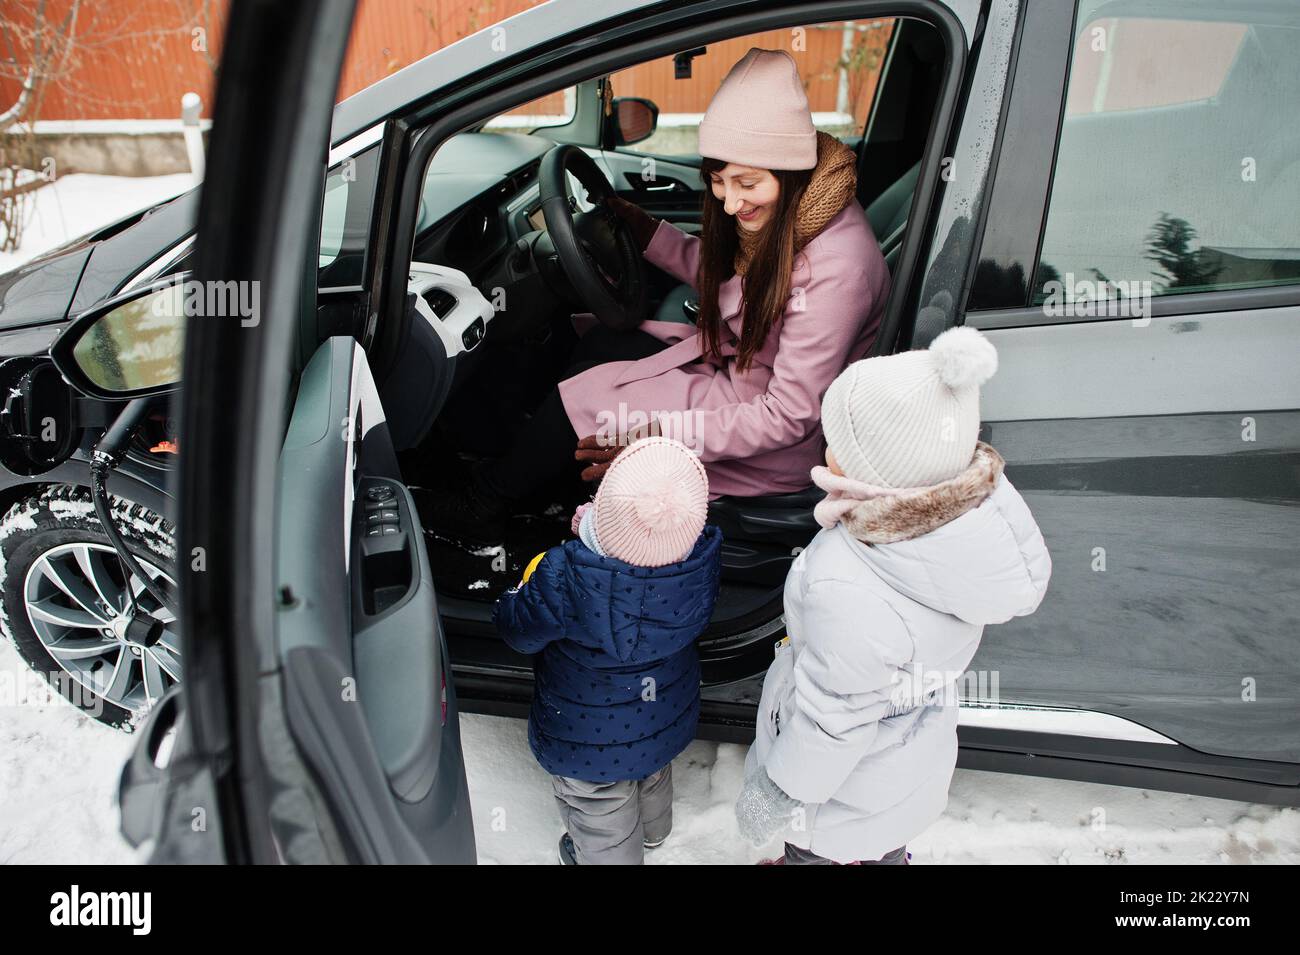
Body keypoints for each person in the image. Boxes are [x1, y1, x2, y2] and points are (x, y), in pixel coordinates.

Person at [422, 46, 890, 543]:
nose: (730, 203)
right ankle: (536, 474)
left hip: (769, 445)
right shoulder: (793, 216)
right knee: (603, 341)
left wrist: (659, 435)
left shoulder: (836, 270)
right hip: (738, 371)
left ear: (791, 172)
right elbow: (732, 283)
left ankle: (487, 501)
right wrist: (647, 234)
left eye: (746, 183)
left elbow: (788, 417)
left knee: (585, 401)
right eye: (718, 182)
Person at [733, 326, 1053, 864]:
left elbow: (834, 719)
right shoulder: (961, 529)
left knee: (822, 850)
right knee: (883, 840)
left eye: (838, 442)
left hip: (838, 793)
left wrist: (779, 794)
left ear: (876, 474)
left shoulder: (849, 584)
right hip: (907, 760)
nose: (827, 448)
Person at [492, 436, 723, 864]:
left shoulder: (562, 573)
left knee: (599, 805)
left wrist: (513, 597)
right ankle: (654, 834)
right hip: (663, 713)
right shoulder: (698, 568)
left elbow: (520, 632)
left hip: (585, 734)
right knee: (652, 769)